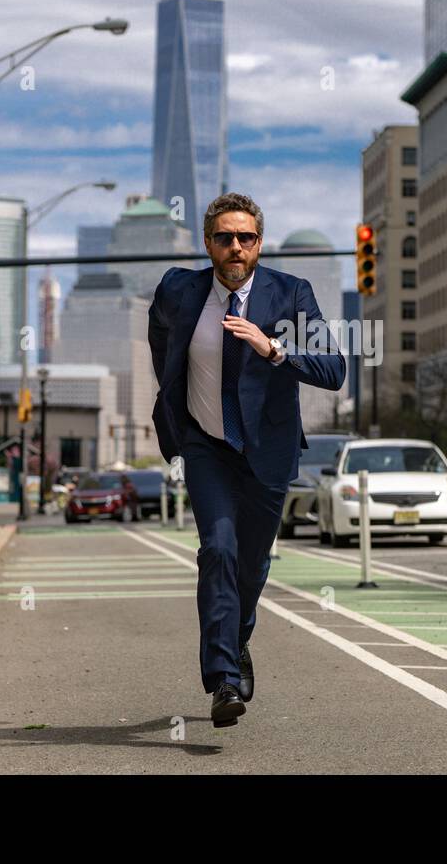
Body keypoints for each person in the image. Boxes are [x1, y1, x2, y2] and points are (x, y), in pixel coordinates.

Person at [148, 193, 346, 728]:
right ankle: (222, 679)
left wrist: (272, 349)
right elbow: (161, 337)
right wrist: (173, 395)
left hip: (269, 449)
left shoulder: (291, 294)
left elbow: (334, 369)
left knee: (253, 563)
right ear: (208, 243)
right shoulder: (178, 289)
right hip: (207, 444)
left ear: (259, 242)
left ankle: (236, 640)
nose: (236, 248)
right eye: (225, 238)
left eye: (247, 238)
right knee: (218, 547)